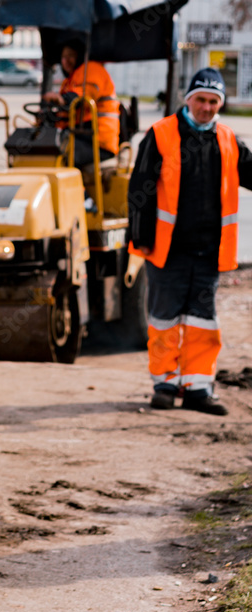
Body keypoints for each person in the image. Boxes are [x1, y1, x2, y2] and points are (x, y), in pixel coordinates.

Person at [128, 67, 252, 416]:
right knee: (165, 320)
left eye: (214, 102)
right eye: (201, 100)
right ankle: (164, 384)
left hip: (209, 252)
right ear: (188, 100)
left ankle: (197, 387)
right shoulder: (161, 134)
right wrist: (140, 236)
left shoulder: (227, 139)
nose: (207, 108)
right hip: (168, 250)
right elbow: (140, 188)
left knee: (202, 322)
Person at [42, 40, 120, 167]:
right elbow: (65, 115)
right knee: (45, 147)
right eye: (64, 57)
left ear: (80, 56)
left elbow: (83, 96)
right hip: (81, 136)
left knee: (59, 155)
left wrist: (62, 100)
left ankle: (74, 187)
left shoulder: (92, 69)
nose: (67, 61)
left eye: (71, 56)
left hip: (98, 143)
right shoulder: (69, 81)